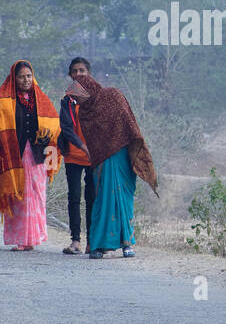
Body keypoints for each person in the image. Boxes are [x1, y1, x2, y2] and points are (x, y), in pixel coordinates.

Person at [67, 74, 158, 259]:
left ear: (88, 89)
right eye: (74, 98)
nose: (76, 100)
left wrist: (123, 142)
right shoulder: (84, 112)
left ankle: (127, 243)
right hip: (101, 160)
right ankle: (99, 245)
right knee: (102, 200)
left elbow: (128, 122)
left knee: (123, 199)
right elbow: (93, 139)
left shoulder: (113, 95)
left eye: (78, 96)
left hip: (121, 156)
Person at [0, 60, 61, 251]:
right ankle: (21, 239)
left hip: (37, 157)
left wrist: (49, 148)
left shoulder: (42, 100)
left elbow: (55, 125)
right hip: (14, 157)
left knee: (36, 196)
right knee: (18, 196)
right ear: (14, 78)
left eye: (29, 76)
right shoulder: (2, 101)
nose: (26, 80)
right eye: (21, 76)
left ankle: (33, 238)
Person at [58, 57, 97, 255]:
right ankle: (75, 241)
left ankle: (92, 241)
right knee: (74, 198)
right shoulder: (67, 100)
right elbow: (66, 128)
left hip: (93, 156)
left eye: (82, 70)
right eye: (75, 71)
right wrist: (83, 146)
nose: (78, 74)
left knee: (92, 198)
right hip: (73, 155)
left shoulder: (98, 98)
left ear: (88, 73)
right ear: (70, 75)